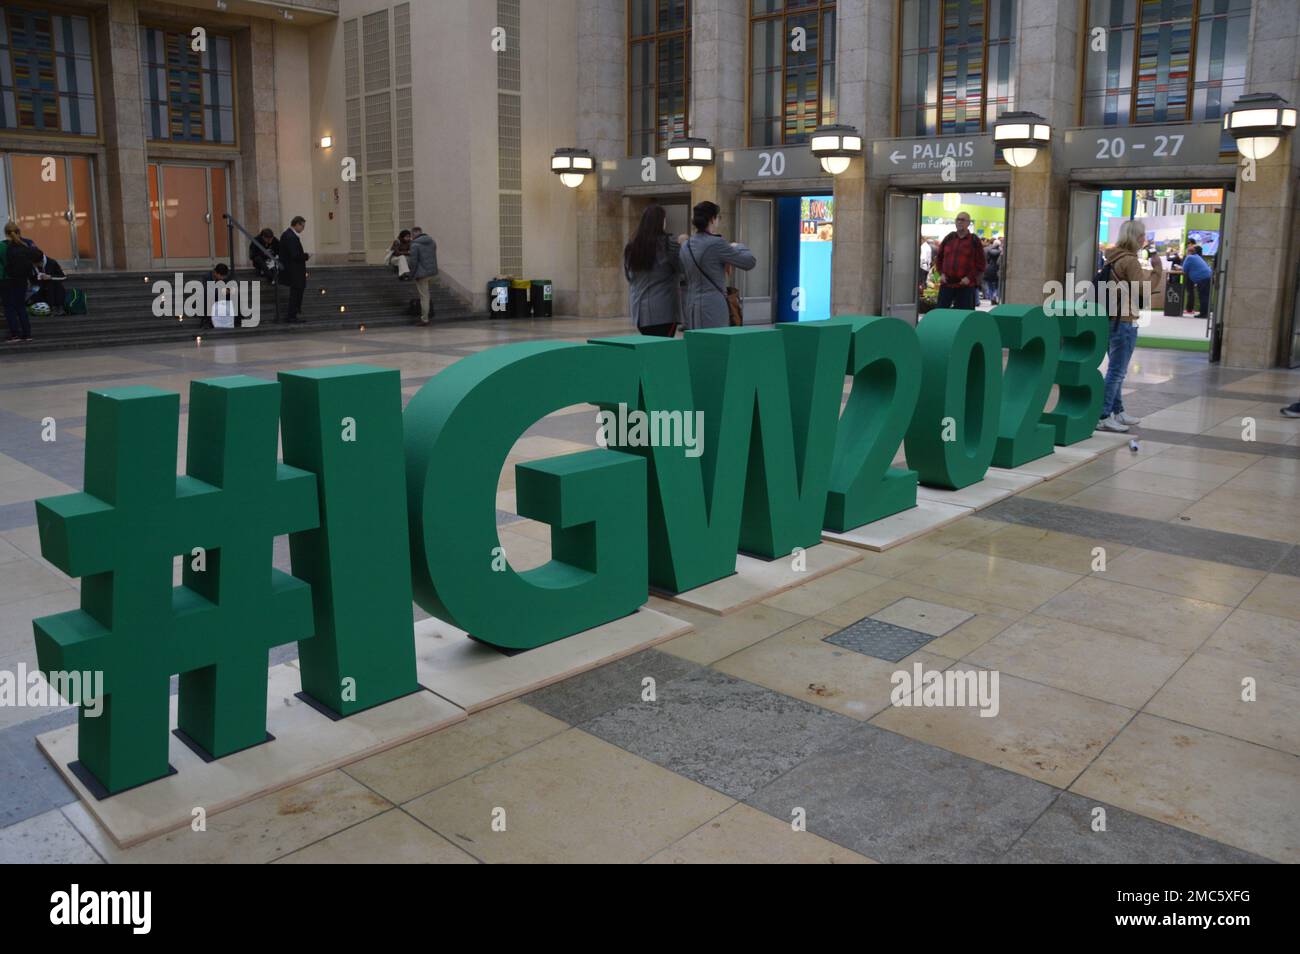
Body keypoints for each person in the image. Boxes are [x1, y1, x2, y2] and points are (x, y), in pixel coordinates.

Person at [1096, 219, 1153, 433]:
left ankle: (1118, 411)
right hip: (1124, 320)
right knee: (1117, 371)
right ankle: (1103, 415)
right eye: (1142, 235)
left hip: (1111, 318)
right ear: (1137, 238)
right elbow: (1143, 290)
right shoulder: (1130, 261)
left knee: (1116, 369)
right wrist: (1156, 272)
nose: (1144, 239)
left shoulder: (1112, 258)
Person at [680, 200, 756, 330]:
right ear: (712, 219)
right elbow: (749, 262)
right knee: (716, 345)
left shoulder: (685, 245)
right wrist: (737, 246)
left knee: (697, 346)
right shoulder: (716, 243)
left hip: (691, 306)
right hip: (713, 306)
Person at [624, 205, 684, 337]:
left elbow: (629, 276)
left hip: (640, 312)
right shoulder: (668, 244)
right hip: (663, 312)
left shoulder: (631, 246)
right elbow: (683, 269)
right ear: (661, 221)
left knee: (651, 350)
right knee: (663, 350)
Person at [933, 211, 985, 309]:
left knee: (963, 316)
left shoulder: (974, 240)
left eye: (963, 220)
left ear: (968, 223)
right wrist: (941, 273)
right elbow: (939, 258)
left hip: (965, 286)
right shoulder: (949, 238)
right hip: (947, 284)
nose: (959, 222)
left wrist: (969, 278)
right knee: (941, 314)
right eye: (958, 219)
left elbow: (981, 264)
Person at [1, 222, 35, 342]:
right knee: (21, 307)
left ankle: (15, 334)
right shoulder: (25, 245)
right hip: (23, 280)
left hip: (9, 280)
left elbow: (6, 265)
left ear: (6, 233)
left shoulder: (6, 247)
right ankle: (27, 334)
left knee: (9, 307)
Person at [279, 216, 309, 324]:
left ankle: (294, 314)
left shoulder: (289, 235)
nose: (303, 229)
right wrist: (306, 256)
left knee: (297, 292)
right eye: (302, 226)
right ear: (296, 224)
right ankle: (292, 315)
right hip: (294, 270)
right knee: (296, 293)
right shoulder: (290, 236)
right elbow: (294, 255)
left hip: (295, 270)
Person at [408, 226, 438, 325]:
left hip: (422, 274)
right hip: (432, 272)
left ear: (414, 234)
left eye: (411, 235)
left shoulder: (415, 244)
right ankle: (427, 315)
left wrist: (411, 275)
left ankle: (424, 319)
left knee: (424, 297)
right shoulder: (432, 242)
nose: (411, 237)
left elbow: (413, 262)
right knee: (426, 295)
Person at [1182, 243, 1213, 321]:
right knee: (1205, 296)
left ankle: (1203, 314)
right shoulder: (1197, 257)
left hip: (1202, 279)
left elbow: (1184, 269)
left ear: (1189, 252)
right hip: (1208, 277)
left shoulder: (1189, 257)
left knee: (1203, 296)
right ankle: (1205, 313)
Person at [982, 237, 1001, 306]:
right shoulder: (1000, 252)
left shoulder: (988, 251)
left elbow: (987, 260)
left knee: (989, 285)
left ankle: (991, 298)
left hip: (989, 269)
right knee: (997, 285)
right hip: (996, 270)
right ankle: (994, 296)